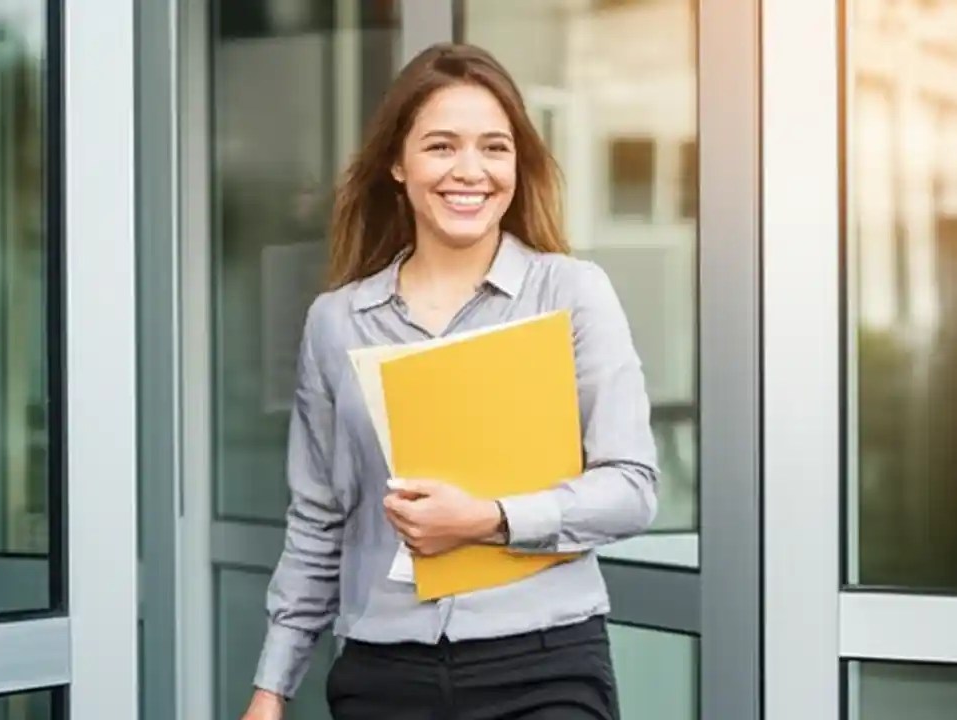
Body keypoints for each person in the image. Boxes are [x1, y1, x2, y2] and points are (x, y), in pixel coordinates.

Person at [242, 42, 659, 720]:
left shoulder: (572, 294)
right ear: (396, 165)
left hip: (543, 665)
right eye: (441, 146)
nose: (471, 171)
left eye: (495, 148)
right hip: (384, 673)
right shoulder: (337, 323)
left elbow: (632, 489)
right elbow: (318, 520)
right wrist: (271, 687)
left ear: (518, 165)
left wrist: (489, 520)